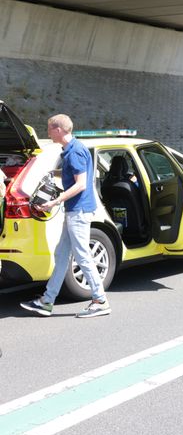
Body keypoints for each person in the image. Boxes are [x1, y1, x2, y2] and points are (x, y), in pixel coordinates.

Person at [20, 114, 110, 318]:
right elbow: (78, 174)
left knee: (82, 256)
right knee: (62, 255)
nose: (48, 133)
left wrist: (55, 201)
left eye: (49, 129)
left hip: (78, 210)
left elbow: (80, 183)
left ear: (58, 129)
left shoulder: (74, 152)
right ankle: (47, 301)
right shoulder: (74, 149)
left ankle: (100, 300)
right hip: (75, 210)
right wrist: (55, 173)